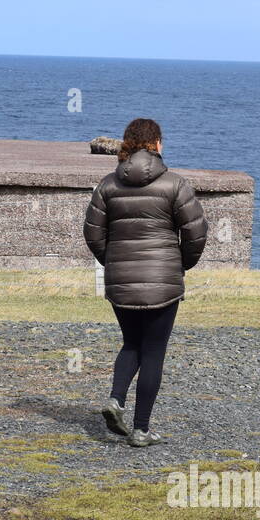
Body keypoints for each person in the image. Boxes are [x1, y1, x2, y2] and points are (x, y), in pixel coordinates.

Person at [83, 118, 207, 447]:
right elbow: (196, 233)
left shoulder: (107, 185)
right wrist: (180, 265)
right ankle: (141, 430)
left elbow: (92, 234)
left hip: (120, 281)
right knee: (153, 353)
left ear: (125, 144)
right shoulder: (176, 185)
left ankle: (115, 398)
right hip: (163, 281)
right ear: (157, 145)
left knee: (131, 344)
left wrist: (113, 263)